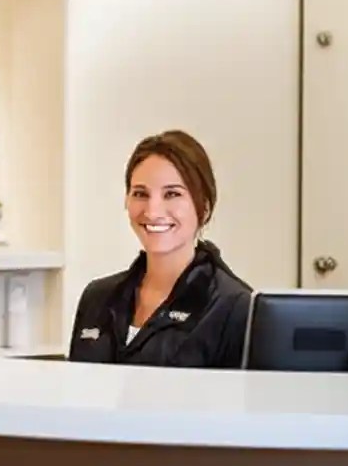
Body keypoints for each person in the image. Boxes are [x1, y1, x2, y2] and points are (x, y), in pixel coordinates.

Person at [68, 130, 253, 368]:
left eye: (172, 194)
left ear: (204, 207)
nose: (153, 211)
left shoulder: (234, 306)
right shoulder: (97, 297)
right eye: (140, 194)